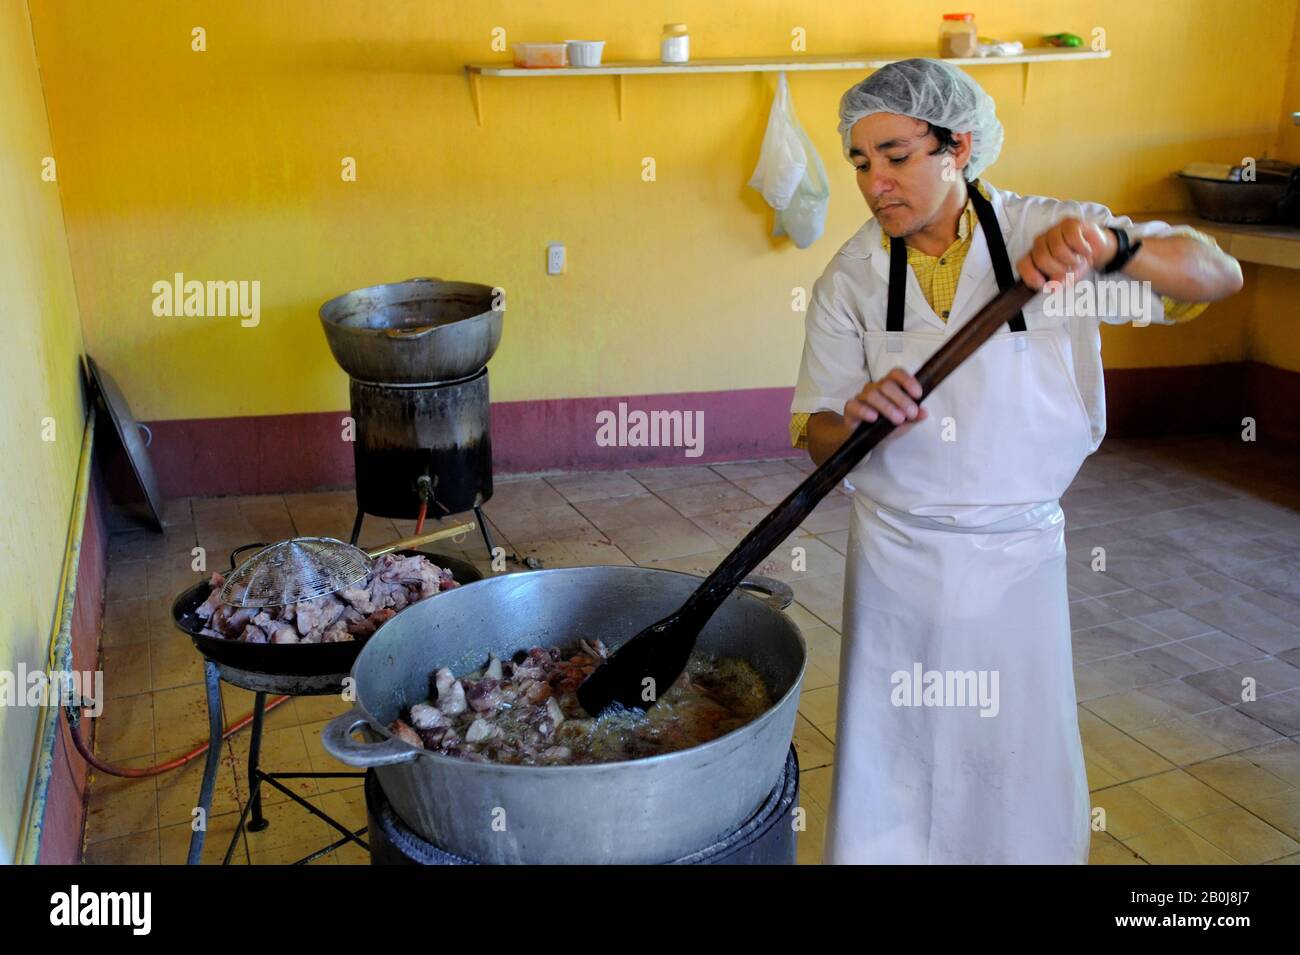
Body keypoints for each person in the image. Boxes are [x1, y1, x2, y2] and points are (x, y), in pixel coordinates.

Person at [790, 58, 1243, 864]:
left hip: (1016, 553)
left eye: (895, 156)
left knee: (1014, 754)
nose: (874, 183)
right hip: (895, 552)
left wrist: (1117, 248)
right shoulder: (852, 278)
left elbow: (1217, 275)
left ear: (957, 146)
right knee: (893, 752)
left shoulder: (1052, 240)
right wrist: (852, 421)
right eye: (860, 162)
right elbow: (814, 431)